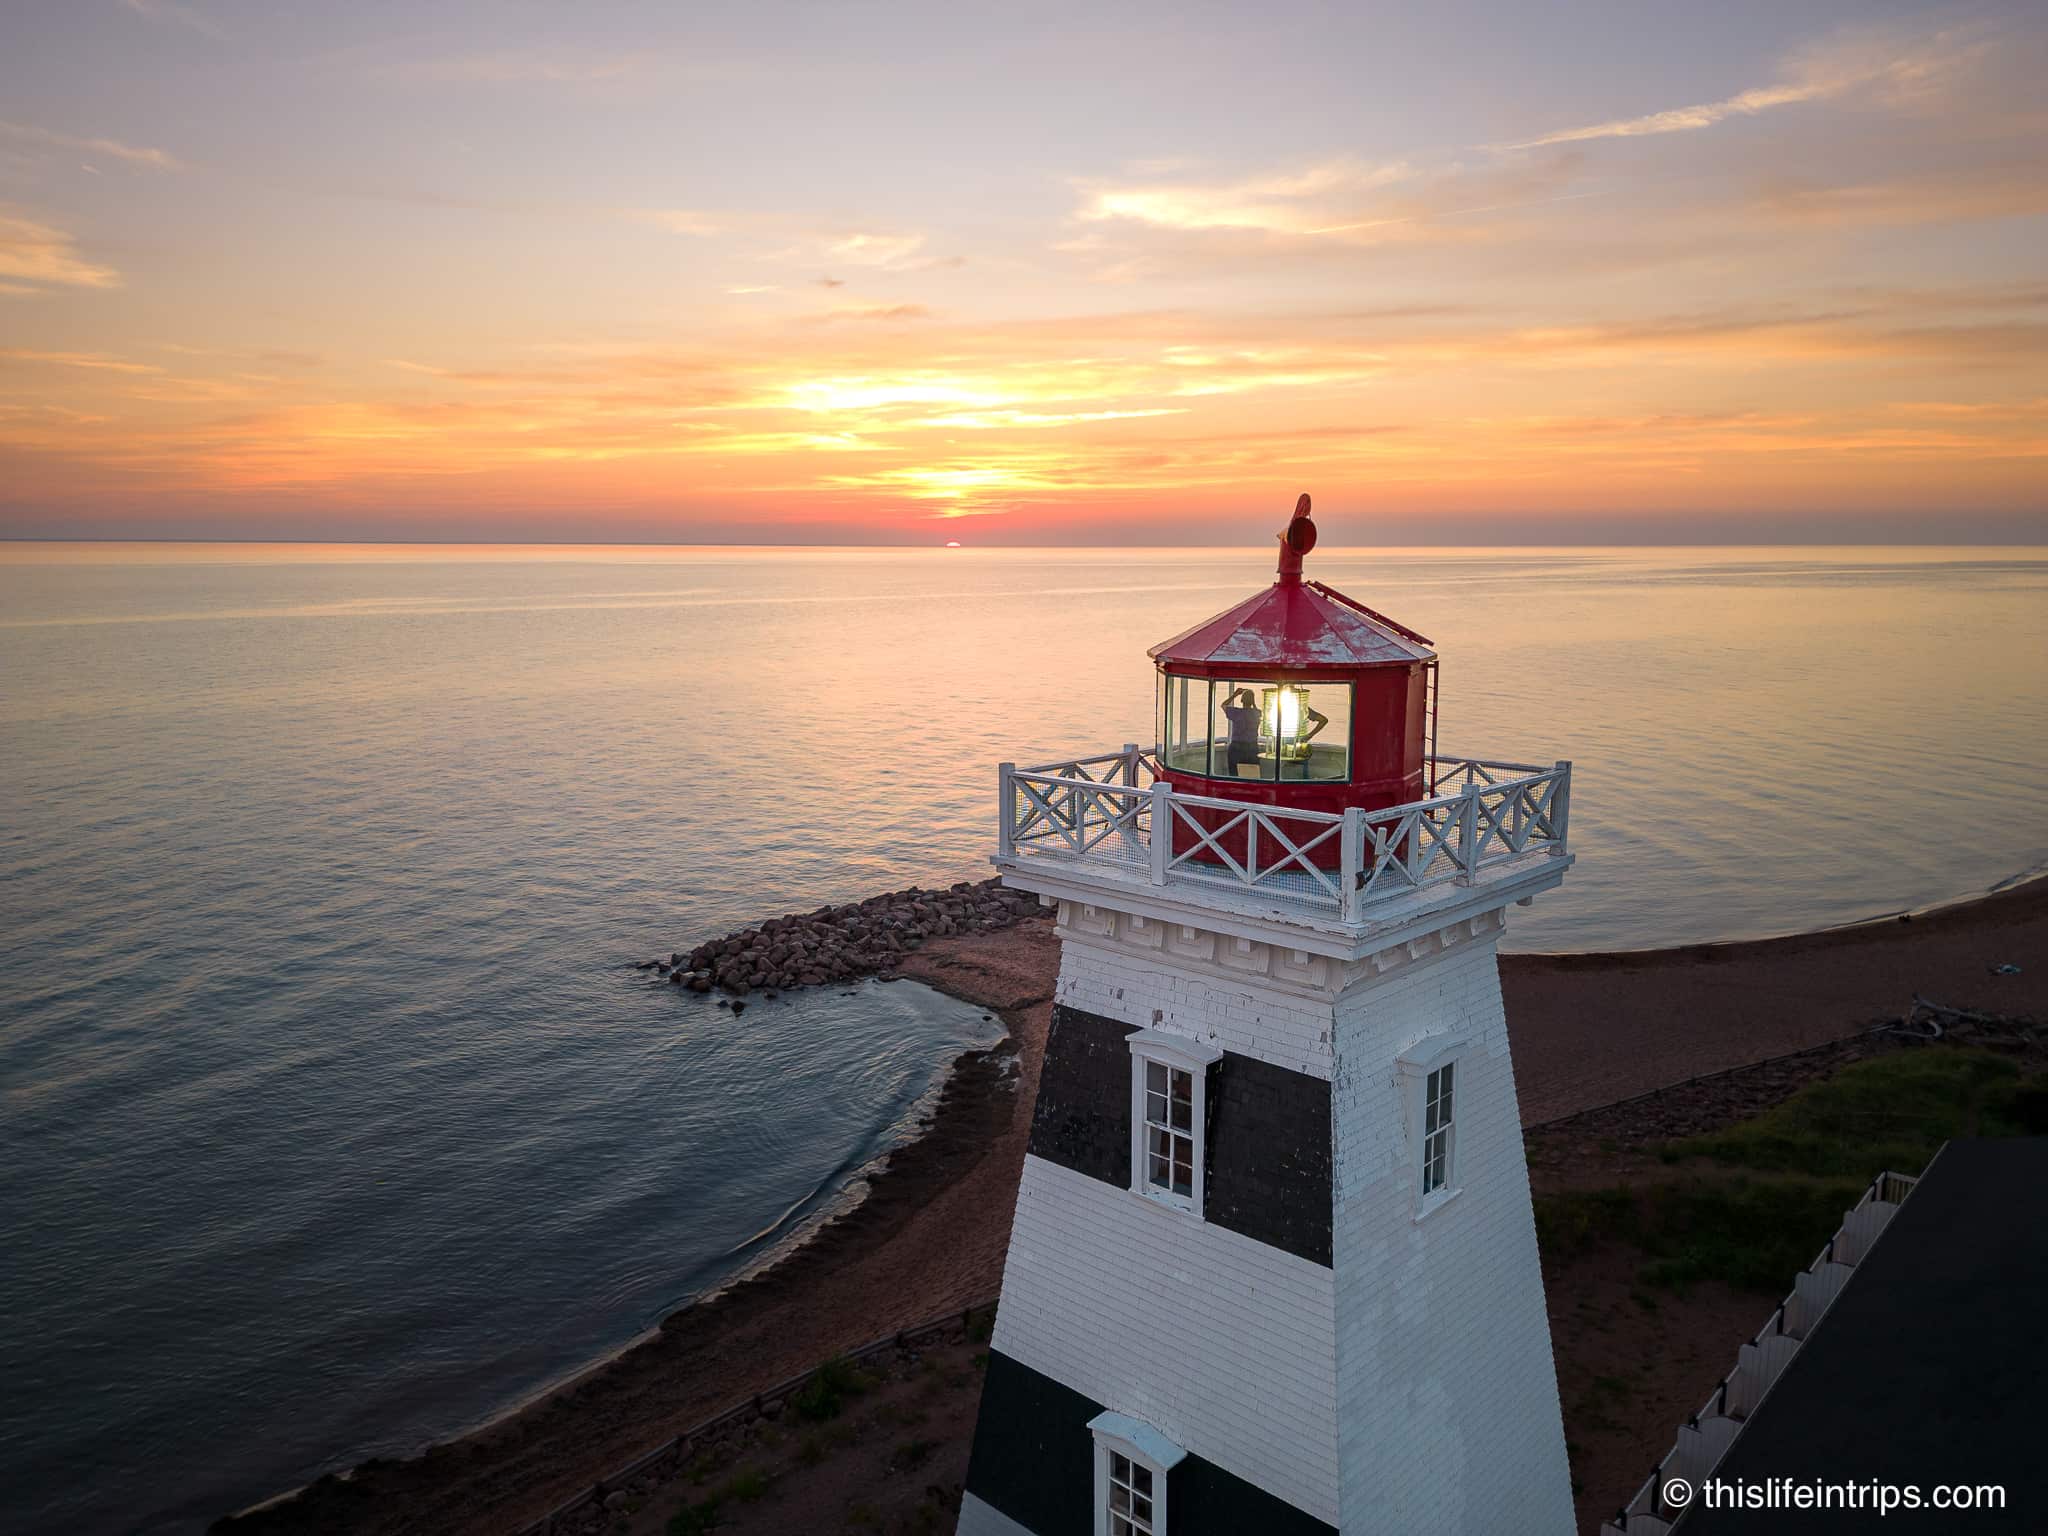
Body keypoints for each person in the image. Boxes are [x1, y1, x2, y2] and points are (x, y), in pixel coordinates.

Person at [1221, 687, 1262, 772]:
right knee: (1252, 774)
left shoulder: (1236, 713)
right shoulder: (1256, 713)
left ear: (1241, 700)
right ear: (1252, 701)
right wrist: (1253, 703)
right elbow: (1257, 711)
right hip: (1252, 748)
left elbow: (1223, 705)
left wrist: (1235, 694)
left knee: (1234, 773)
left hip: (1237, 747)